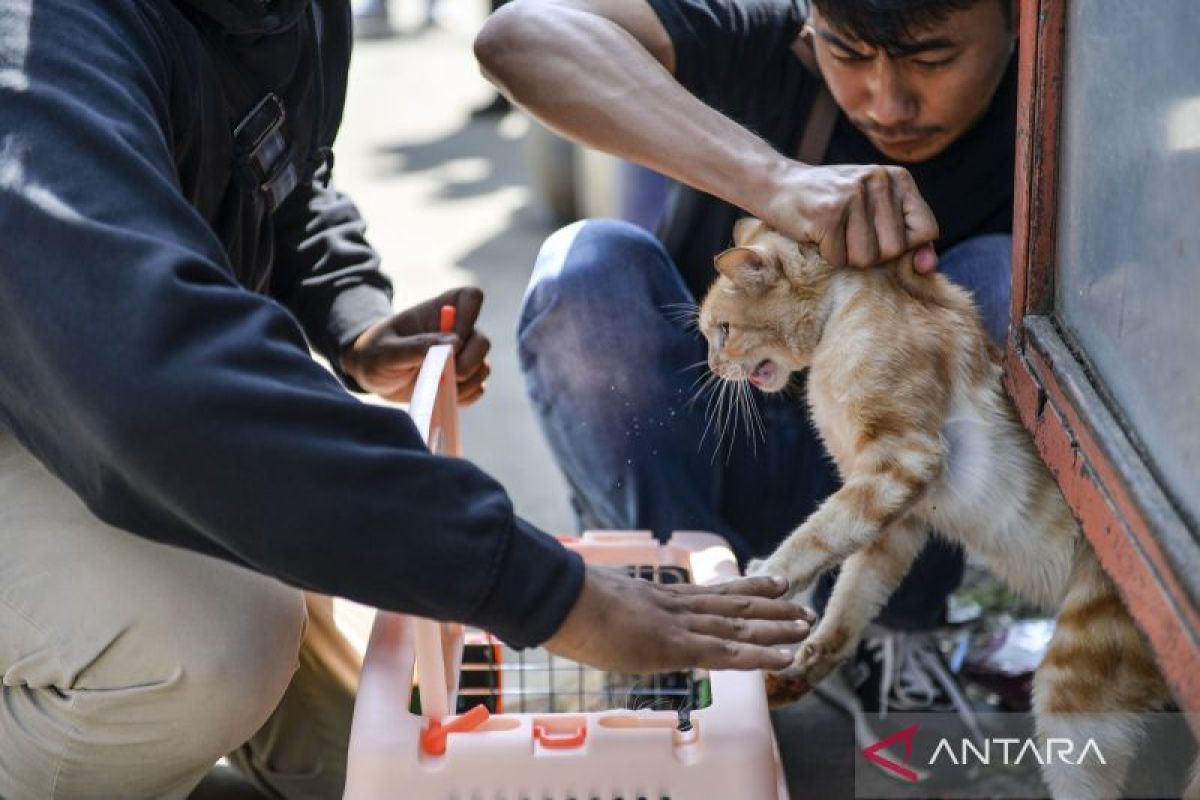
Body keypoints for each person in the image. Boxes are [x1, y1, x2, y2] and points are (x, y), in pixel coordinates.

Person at [0, 1, 816, 797]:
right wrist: (555, 596)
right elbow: (155, 388)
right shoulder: (45, 46)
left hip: (109, 386)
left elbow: (285, 175)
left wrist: (352, 318)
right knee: (206, 651)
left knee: (351, 752)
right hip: (46, 406)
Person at [476, 0, 1016, 766]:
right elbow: (515, 34)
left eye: (932, 62)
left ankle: (894, 632)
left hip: (894, 488)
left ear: (1025, 21)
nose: (886, 103)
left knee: (999, 279)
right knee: (585, 268)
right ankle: (668, 639)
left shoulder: (1058, 108)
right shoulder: (768, 47)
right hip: (702, 452)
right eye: (850, 55)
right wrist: (771, 178)